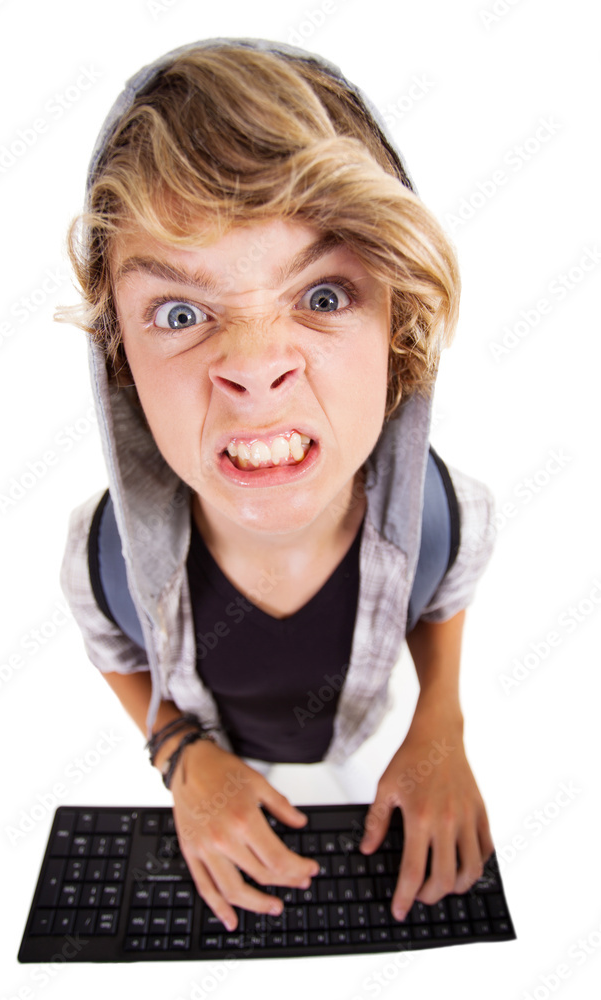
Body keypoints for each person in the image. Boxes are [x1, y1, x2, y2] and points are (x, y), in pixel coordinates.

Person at [59, 38, 497, 934]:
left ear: (399, 331)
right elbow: (111, 643)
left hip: (359, 748)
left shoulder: (447, 515)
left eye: (325, 295)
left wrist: (440, 726)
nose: (255, 368)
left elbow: (445, 587)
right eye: (180, 313)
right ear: (120, 363)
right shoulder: (99, 555)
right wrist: (182, 756)